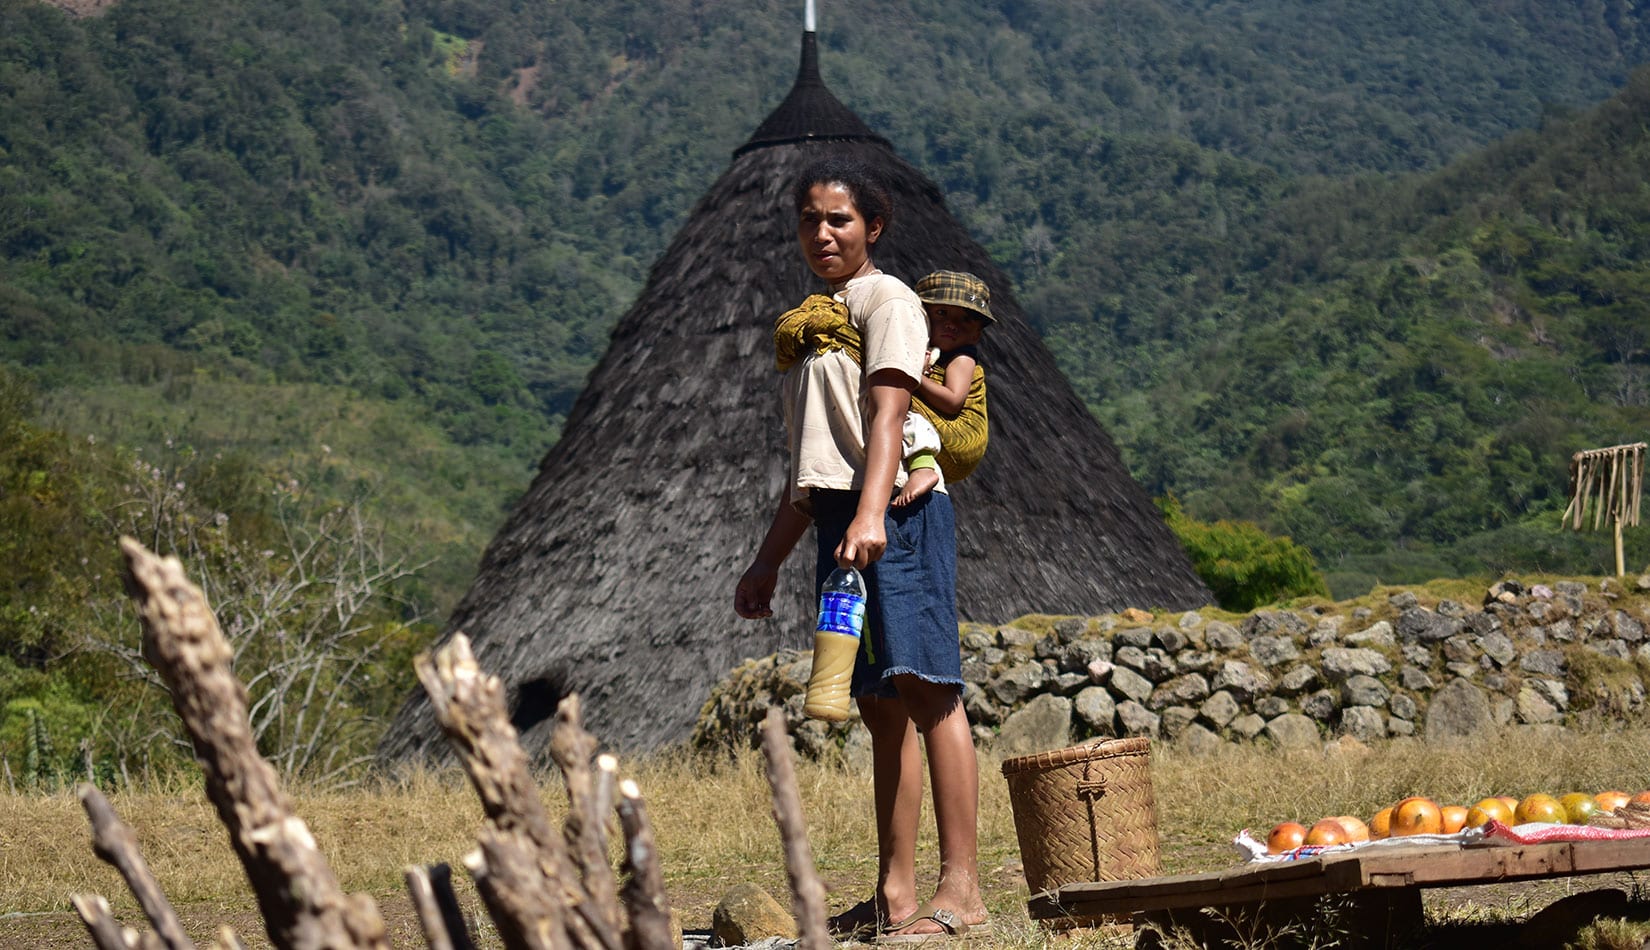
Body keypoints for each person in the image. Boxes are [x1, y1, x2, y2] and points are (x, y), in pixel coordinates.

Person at [734, 156, 989, 942]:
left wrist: (874, 513)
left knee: (928, 688)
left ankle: (962, 891)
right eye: (809, 219)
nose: (822, 233)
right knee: (881, 708)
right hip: (841, 517)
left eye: (839, 219)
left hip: (897, 513)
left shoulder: (889, 301)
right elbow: (810, 467)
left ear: (872, 228)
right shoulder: (814, 324)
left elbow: (889, 417)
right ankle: (894, 895)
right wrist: (768, 560)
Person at [893, 271, 994, 508]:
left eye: (965, 319)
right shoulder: (927, 350)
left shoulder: (963, 358)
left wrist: (914, 376)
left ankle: (923, 467)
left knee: (897, 406)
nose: (952, 324)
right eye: (941, 313)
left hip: (961, 440)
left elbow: (953, 400)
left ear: (976, 333)